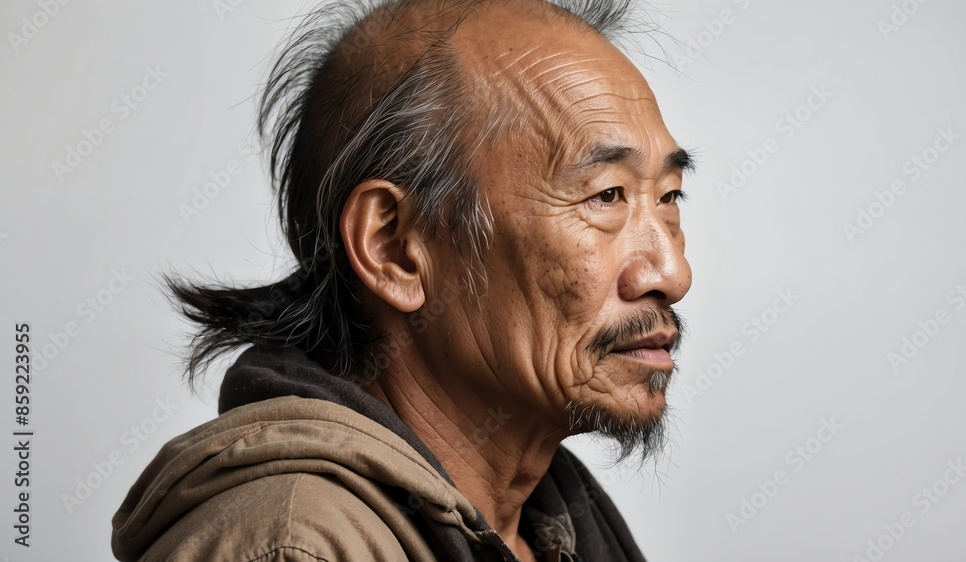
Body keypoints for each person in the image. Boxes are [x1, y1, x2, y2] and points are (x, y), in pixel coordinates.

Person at [111, 0, 693, 559]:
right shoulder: (294, 546)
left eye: (669, 197)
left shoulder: (554, 525)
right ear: (394, 249)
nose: (673, 273)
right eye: (606, 195)